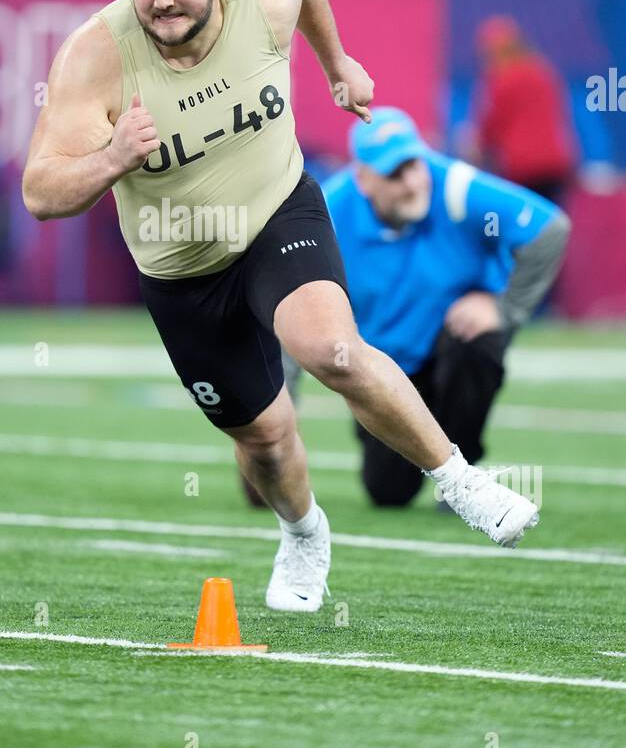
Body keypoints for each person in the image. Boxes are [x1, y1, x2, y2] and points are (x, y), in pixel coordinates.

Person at [22, 0, 541, 614]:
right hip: (182, 269)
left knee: (333, 351)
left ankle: (461, 481)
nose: (160, 0)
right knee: (265, 437)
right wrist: (113, 158)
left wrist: (337, 62)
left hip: (275, 214)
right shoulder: (98, 55)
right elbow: (42, 193)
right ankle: (302, 533)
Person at [239, 108, 571, 511]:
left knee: (479, 342)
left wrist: (505, 309)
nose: (413, 182)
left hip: (453, 346)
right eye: (394, 174)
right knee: (387, 493)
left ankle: (464, 487)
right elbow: (291, 323)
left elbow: (550, 229)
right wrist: (271, 443)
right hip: (385, 370)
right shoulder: (325, 216)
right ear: (363, 179)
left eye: (415, 164)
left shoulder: (457, 188)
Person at [468, 15, 576, 205]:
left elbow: (490, 125)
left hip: (521, 167)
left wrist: (475, 149)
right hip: (556, 163)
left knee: (523, 227)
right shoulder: (543, 72)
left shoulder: (499, 80)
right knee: (551, 224)